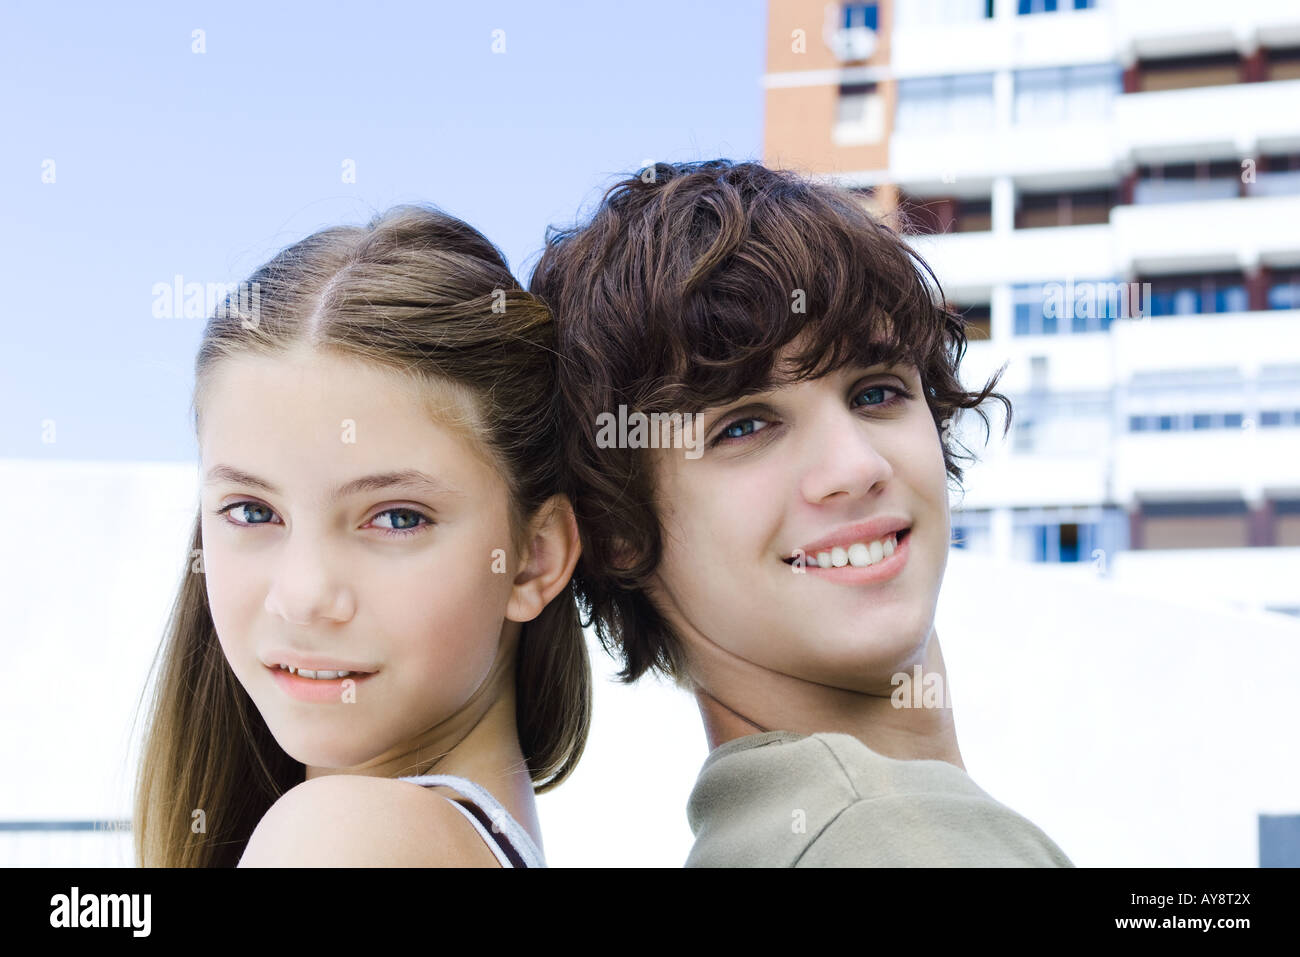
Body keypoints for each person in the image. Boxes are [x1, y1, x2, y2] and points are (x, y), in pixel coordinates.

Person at [529, 159, 1074, 867]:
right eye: (744, 426)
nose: (855, 467)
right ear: (619, 532)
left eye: (877, 392)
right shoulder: (892, 844)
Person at [132, 205, 588, 867]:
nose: (304, 595)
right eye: (253, 511)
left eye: (397, 517)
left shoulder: (344, 838)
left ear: (533, 559)